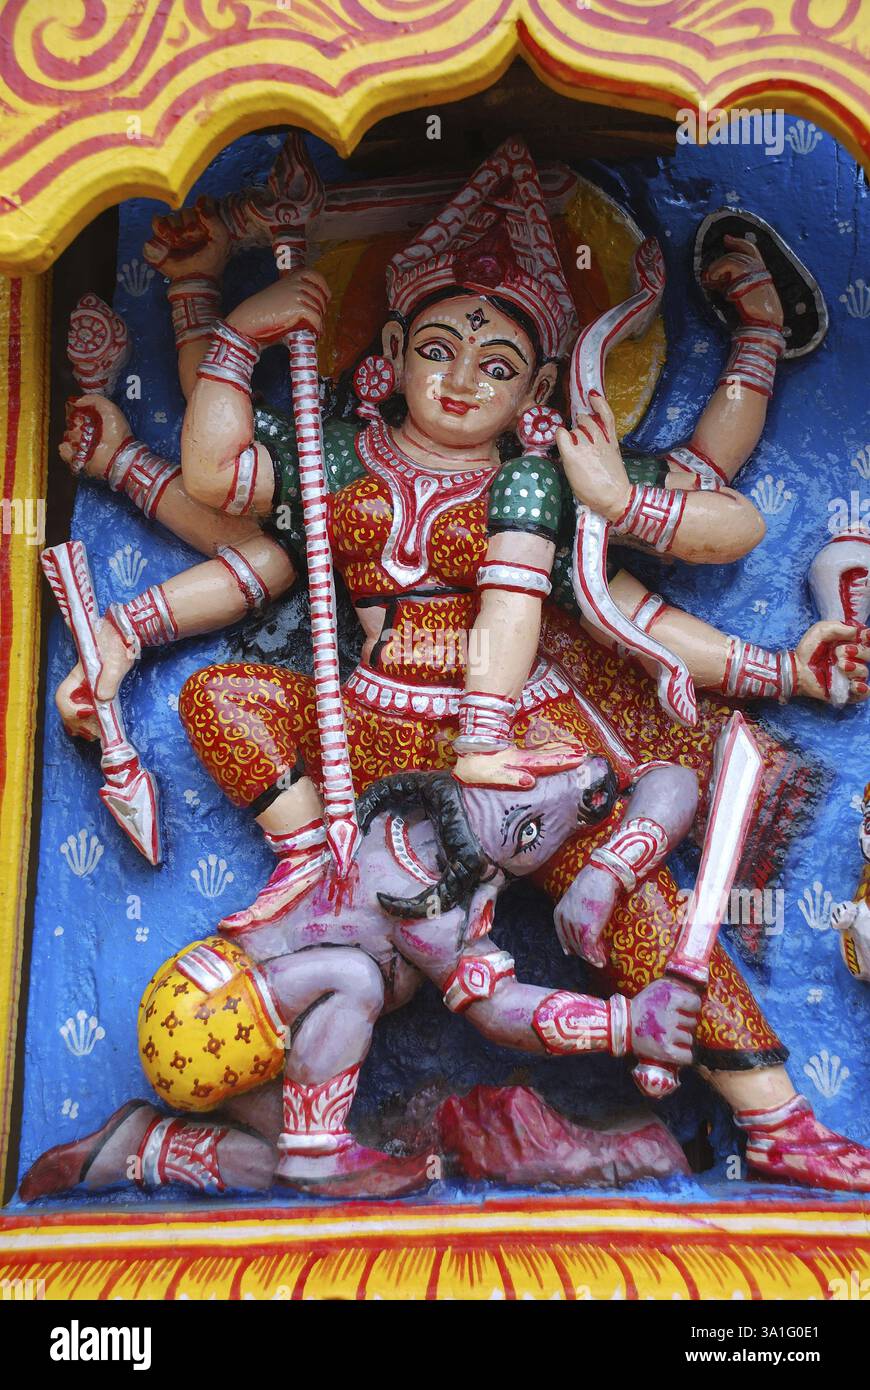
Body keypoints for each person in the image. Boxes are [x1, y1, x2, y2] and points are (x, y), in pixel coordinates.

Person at [44, 139, 870, 1194]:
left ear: (536, 384)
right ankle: (301, 876)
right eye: (437, 349)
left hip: (508, 747)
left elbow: (726, 511)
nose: (461, 380)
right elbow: (215, 478)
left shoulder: (544, 477)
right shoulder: (338, 451)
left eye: (495, 365)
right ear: (392, 345)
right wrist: (238, 330)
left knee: (630, 895)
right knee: (223, 696)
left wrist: (624, 496)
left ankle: (775, 1116)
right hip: (354, 733)